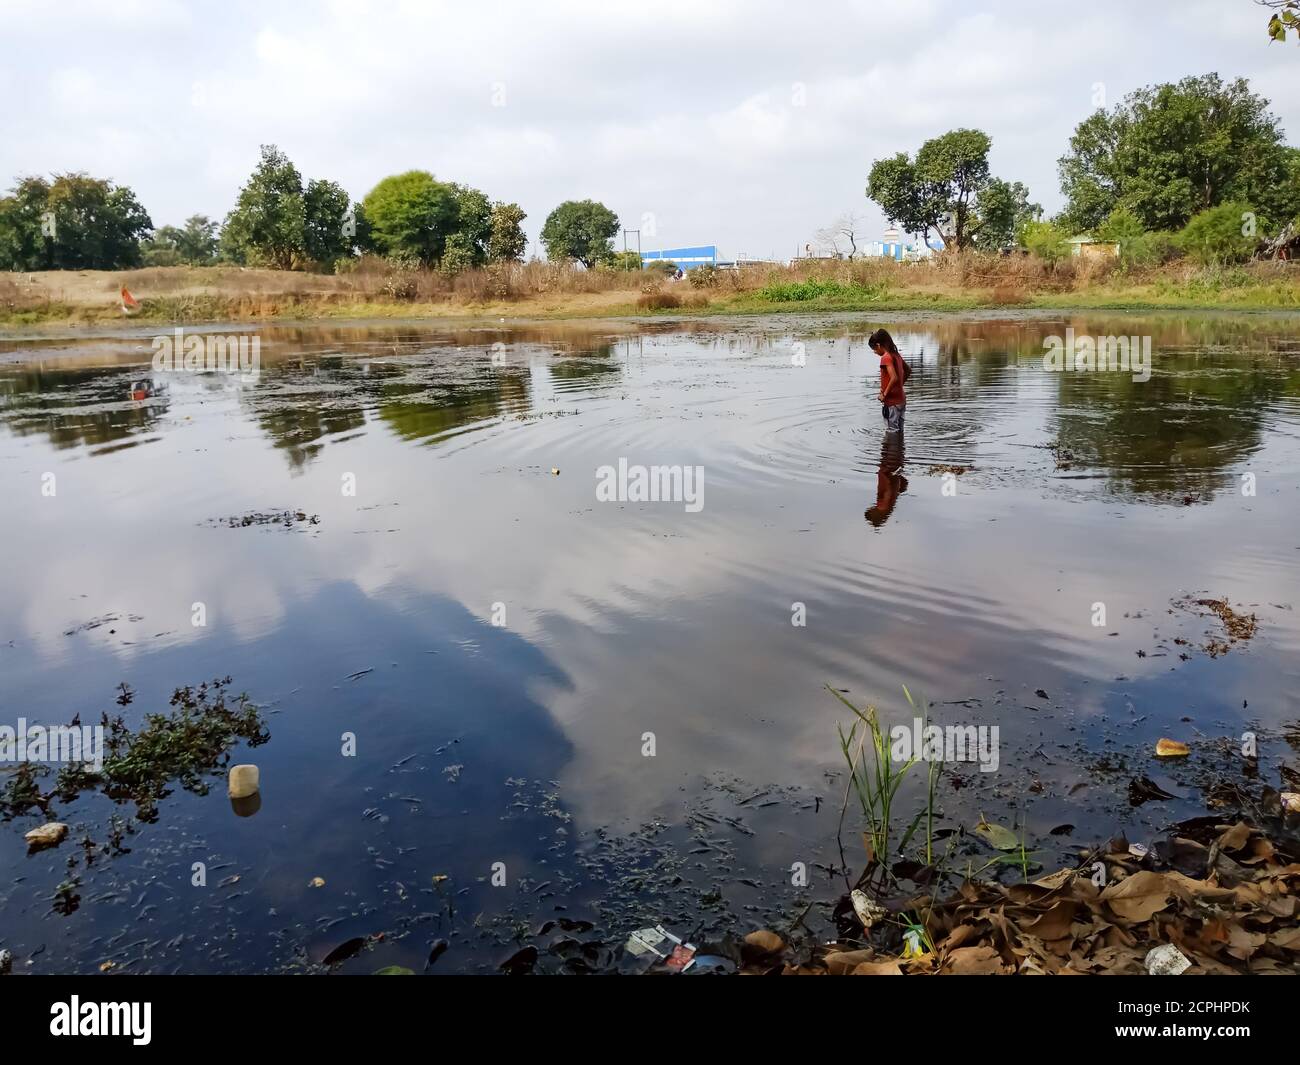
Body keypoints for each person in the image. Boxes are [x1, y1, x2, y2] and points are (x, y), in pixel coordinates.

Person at [869, 327, 906, 434]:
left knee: (892, 432)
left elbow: (894, 377)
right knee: (900, 431)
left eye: (874, 349)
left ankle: (893, 450)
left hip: (892, 403)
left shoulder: (886, 357)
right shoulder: (896, 355)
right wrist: (899, 386)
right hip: (901, 400)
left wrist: (884, 394)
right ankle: (900, 450)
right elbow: (908, 370)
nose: (875, 352)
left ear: (879, 345)